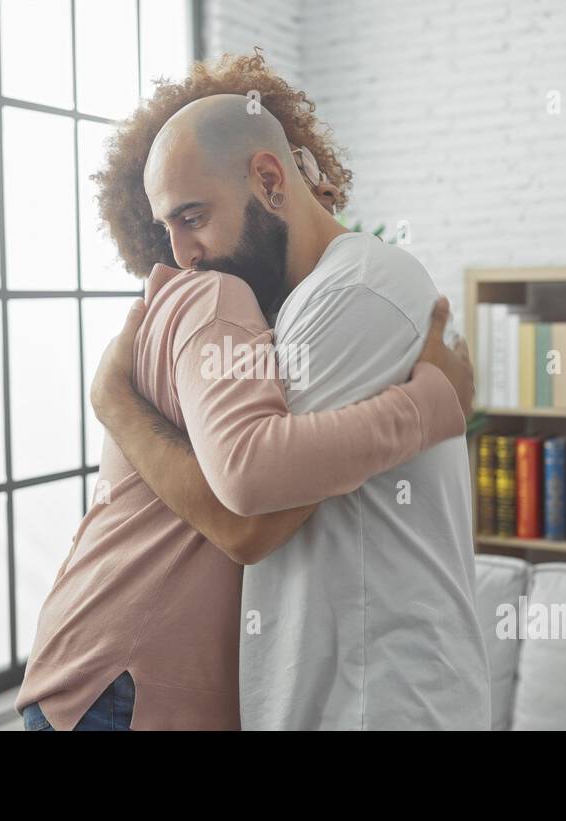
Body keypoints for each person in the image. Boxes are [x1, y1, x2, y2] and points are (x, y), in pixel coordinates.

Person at [90, 85, 491, 730]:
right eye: (167, 229)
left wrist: (115, 405)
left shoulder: (355, 291)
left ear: (270, 180)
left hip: (378, 705)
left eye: (192, 218)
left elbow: (247, 520)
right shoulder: (282, 312)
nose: (180, 256)